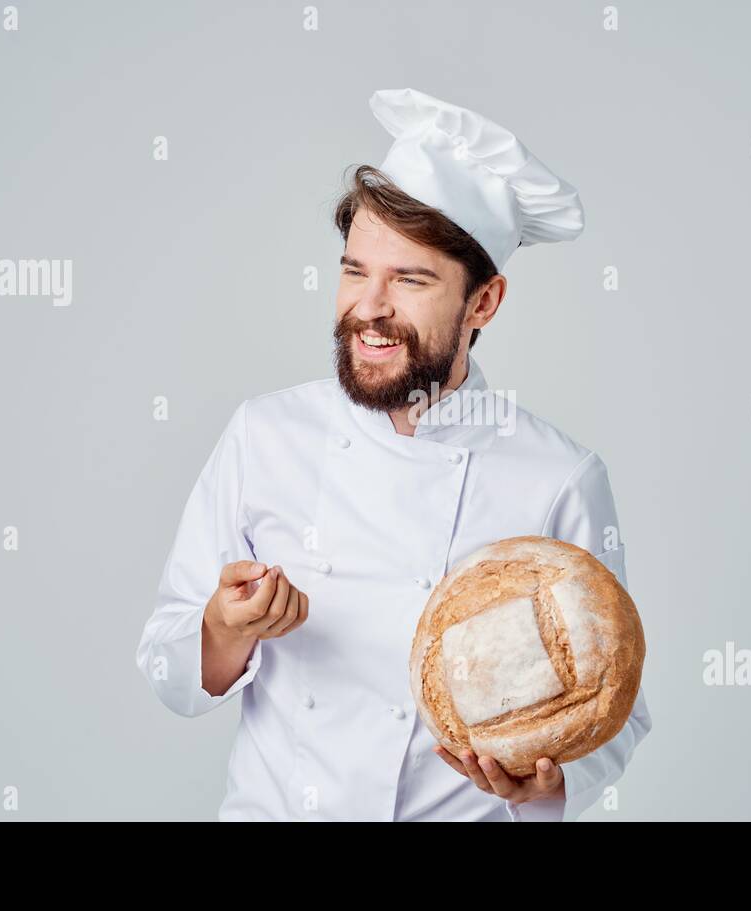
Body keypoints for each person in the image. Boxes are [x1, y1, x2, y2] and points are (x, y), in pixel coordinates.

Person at [136, 88, 651, 821]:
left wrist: (548, 781)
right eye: (354, 270)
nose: (368, 307)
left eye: (409, 280)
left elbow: (618, 709)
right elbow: (167, 665)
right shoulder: (265, 435)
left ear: (484, 303)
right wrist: (224, 629)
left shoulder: (556, 476)